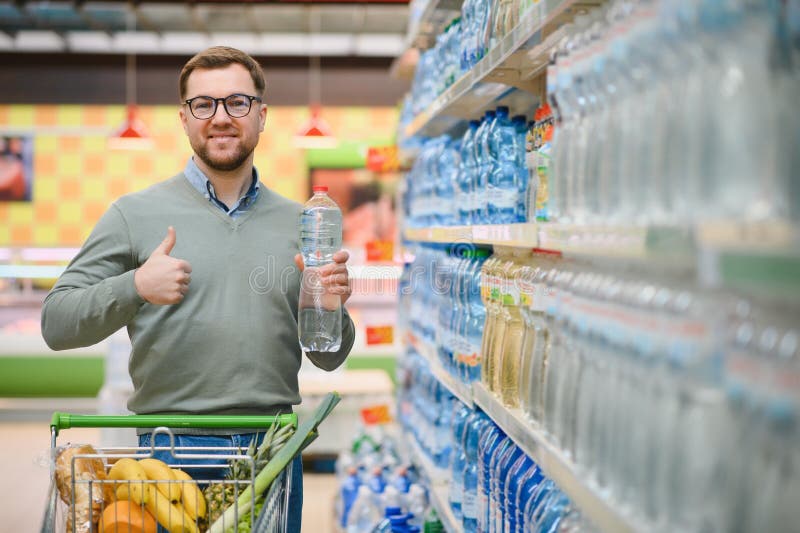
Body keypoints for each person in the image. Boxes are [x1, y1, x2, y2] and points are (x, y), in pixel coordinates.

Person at [40, 46, 355, 532]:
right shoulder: (134, 214)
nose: (221, 118)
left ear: (262, 115)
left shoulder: (303, 222)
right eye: (204, 105)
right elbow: (56, 323)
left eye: (237, 103)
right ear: (184, 118)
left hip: (270, 448)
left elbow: (329, 358)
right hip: (167, 453)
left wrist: (332, 313)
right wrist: (135, 286)